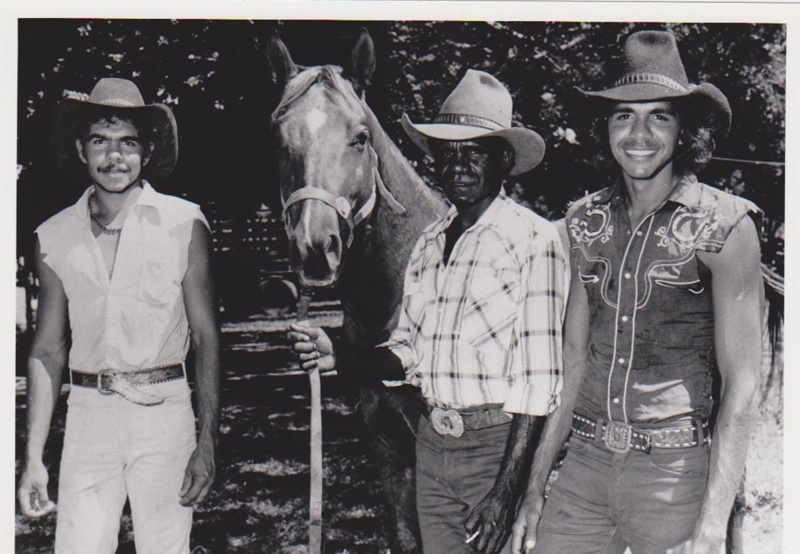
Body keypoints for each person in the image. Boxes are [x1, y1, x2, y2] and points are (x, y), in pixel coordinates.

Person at [290, 69, 568, 553]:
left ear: (504, 159)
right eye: (447, 151)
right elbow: (410, 351)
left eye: (475, 151)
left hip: (494, 448)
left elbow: (540, 382)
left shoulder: (534, 240)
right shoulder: (430, 243)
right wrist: (341, 355)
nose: (458, 165)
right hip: (433, 450)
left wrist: (507, 492)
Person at [511, 30, 764, 554]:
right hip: (583, 467)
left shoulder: (725, 226)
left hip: (674, 476)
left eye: (659, 116)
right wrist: (534, 487)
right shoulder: (585, 221)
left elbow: (742, 385)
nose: (639, 133)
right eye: (624, 115)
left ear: (683, 128)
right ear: (606, 127)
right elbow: (574, 359)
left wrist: (714, 523)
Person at [17, 77, 221, 554]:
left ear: (146, 152)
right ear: (81, 149)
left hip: (165, 413)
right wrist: (32, 457)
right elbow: (46, 349)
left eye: (128, 142)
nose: (114, 156)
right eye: (100, 141)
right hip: (89, 418)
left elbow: (208, 338)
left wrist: (207, 443)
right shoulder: (53, 235)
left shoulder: (183, 224)